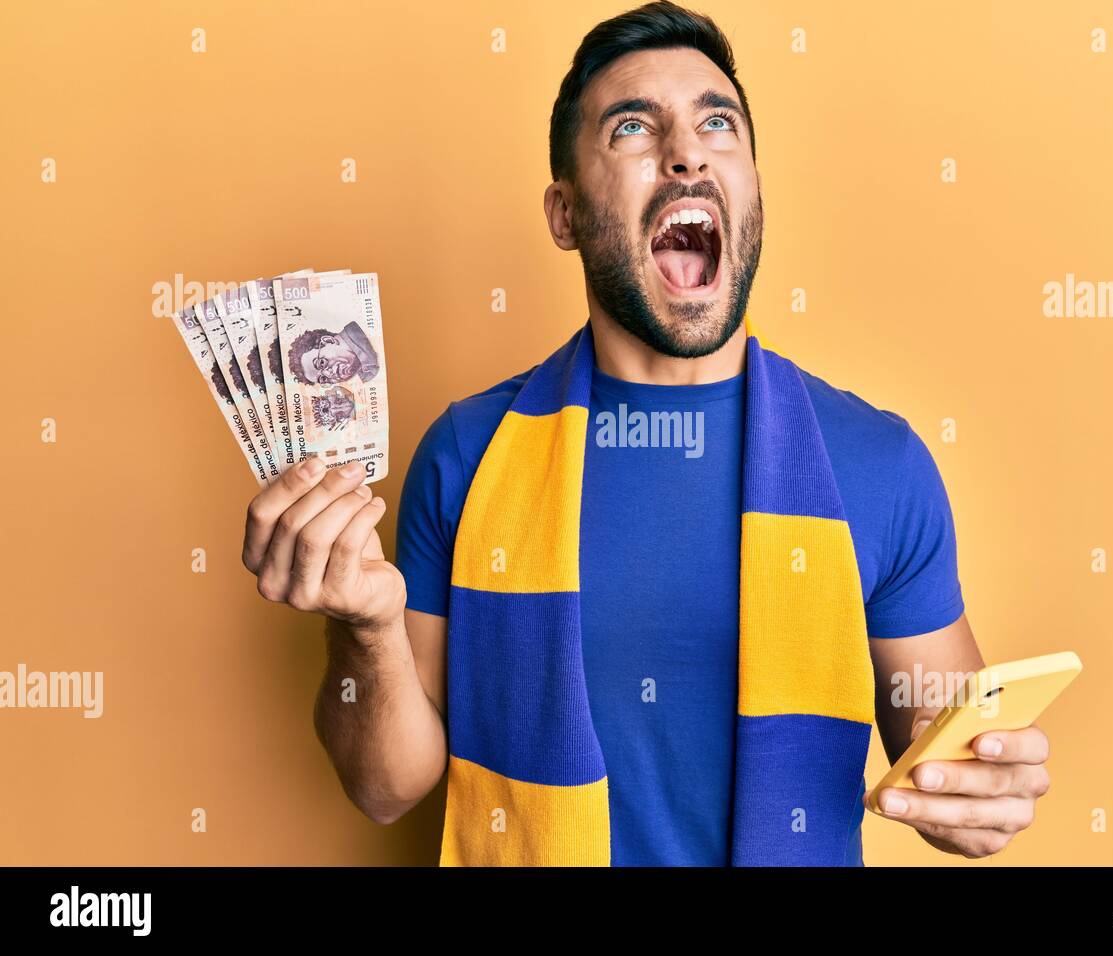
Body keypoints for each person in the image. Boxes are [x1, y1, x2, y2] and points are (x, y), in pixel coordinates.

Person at [240, 1, 1050, 865]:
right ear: (564, 214)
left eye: (717, 123)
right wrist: (364, 629)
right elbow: (385, 786)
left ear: (752, 190)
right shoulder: (466, 455)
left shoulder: (880, 464)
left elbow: (947, 751)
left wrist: (980, 791)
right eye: (633, 127)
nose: (687, 149)